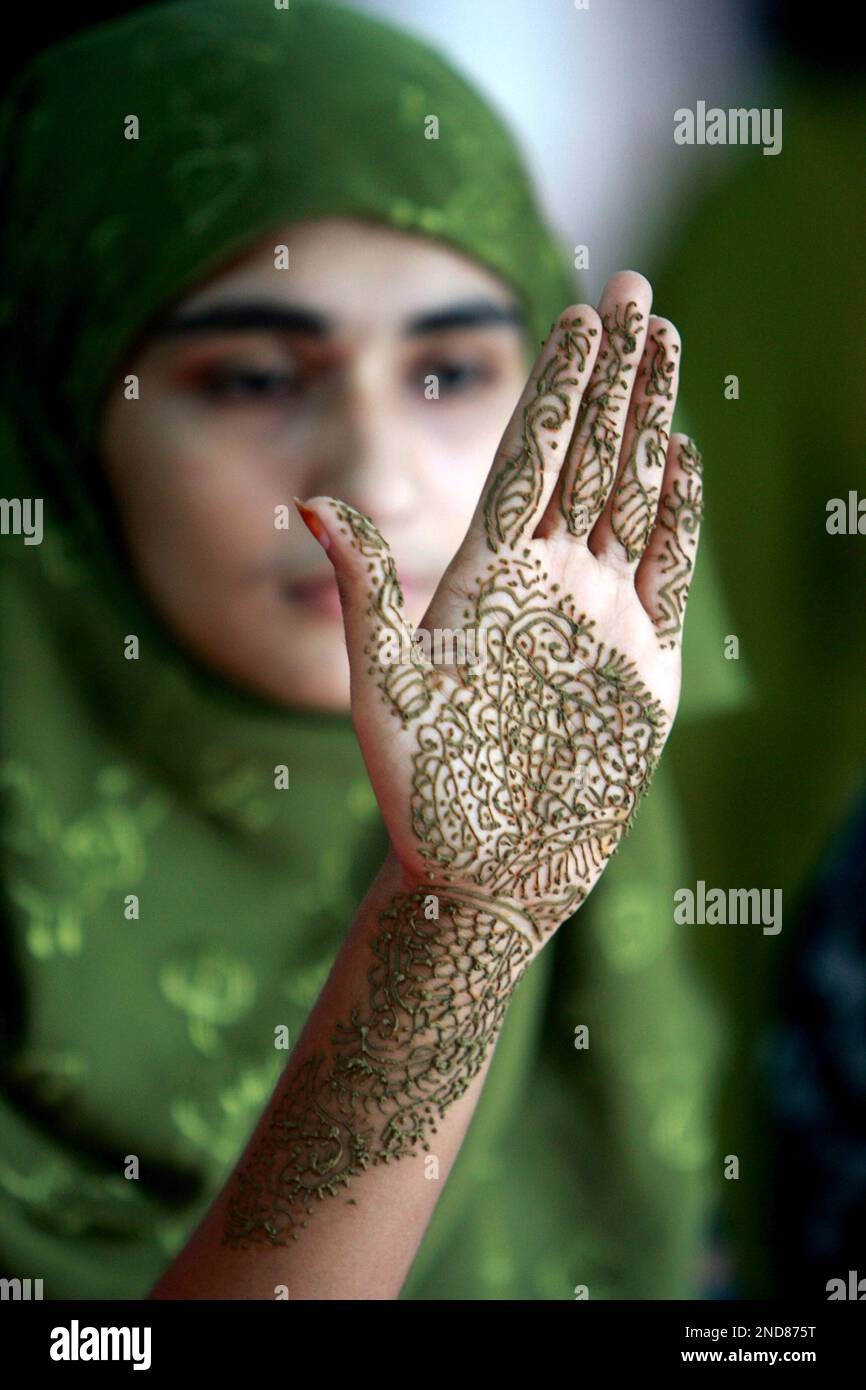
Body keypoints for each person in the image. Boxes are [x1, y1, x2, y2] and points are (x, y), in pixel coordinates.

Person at [0, 0, 744, 1300]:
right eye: (249, 378)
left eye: (450, 371)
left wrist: (494, 896)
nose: (373, 477)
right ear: (59, 405)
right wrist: (449, 930)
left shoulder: (586, 818)